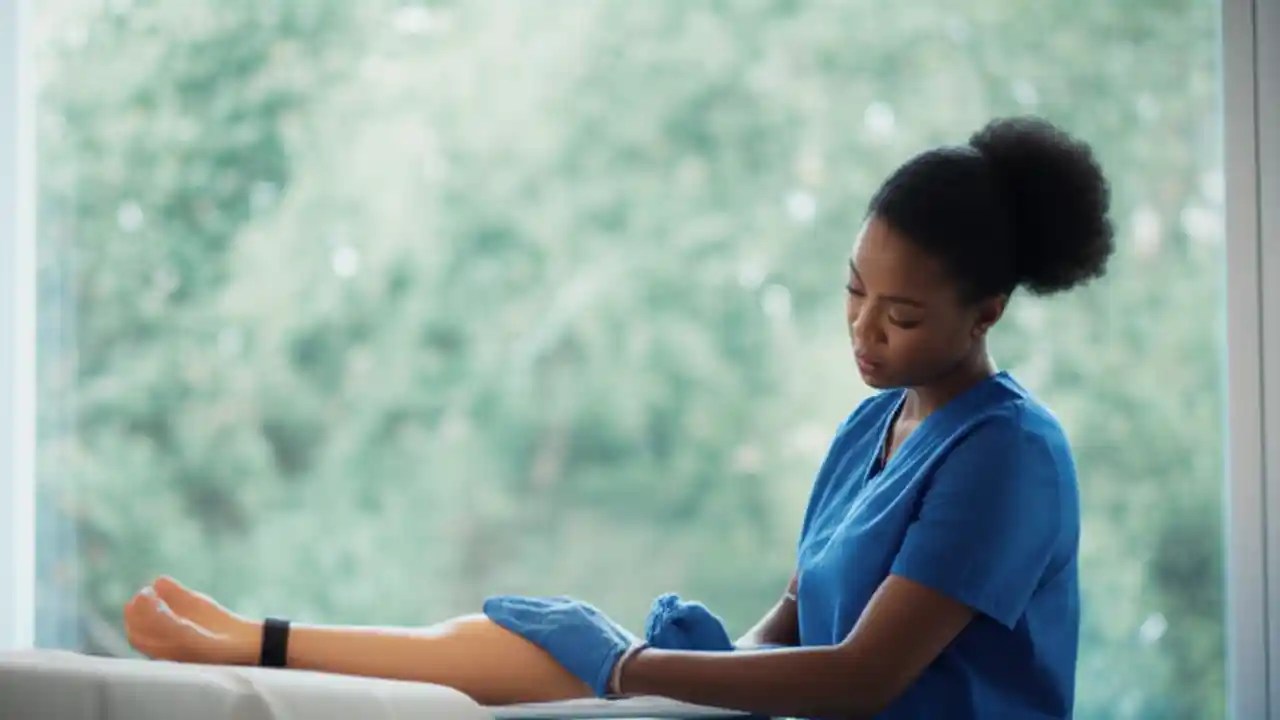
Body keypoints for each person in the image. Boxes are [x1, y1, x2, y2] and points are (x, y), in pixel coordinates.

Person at [123, 115, 1113, 719]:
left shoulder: (1007, 456)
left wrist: (632, 667)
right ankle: (255, 640)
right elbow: (793, 626)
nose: (862, 331)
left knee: (583, 670)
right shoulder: (875, 425)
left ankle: (249, 645)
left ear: (986, 310)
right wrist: (702, 654)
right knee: (539, 653)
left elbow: (860, 678)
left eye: (899, 315)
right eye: (851, 293)